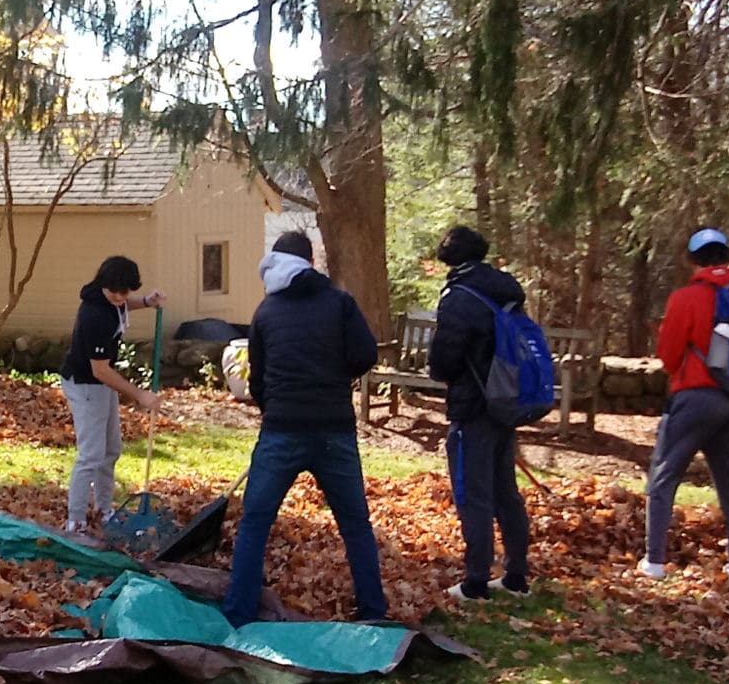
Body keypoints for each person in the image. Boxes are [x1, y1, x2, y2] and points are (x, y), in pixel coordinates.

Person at [223, 232, 388, 625]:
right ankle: (374, 611)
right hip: (334, 429)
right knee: (354, 524)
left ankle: (238, 614)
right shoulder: (339, 303)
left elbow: (257, 379)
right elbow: (365, 354)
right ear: (310, 262)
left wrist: (275, 406)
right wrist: (335, 375)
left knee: (255, 522)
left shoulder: (266, 312)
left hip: (281, 429)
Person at [640, 228, 729, 584]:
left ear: (693, 260)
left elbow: (669, 354)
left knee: (664, 476)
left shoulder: (686, 297)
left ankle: (655, 563)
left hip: (695, 396)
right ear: (728, 257)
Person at [425, 225, 531, 602]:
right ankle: (517, 575)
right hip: (504, 402)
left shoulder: (459, 297)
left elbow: (443, 361)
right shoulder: (506, 290)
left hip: (472, 406)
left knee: (473, 494)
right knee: (506, 491)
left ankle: (475, 582)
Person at [59, 256, 163, 536]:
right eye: (114, 291)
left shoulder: (110, 300)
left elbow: (122, 304)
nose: (120, 297)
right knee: (91, 455)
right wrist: (140, 394)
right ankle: (76, 519)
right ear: (103, 285)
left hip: (100, 384)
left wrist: (145, 301)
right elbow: (100, 370)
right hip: (85, 384)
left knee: (111, 450)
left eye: (125, 292)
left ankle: (105, 509)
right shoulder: (95, 315)